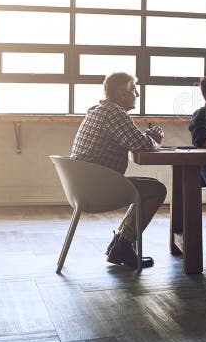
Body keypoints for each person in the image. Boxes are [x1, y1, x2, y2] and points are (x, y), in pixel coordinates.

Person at [71, 72, 167, 269]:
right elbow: (141, 144)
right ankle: (123, 244)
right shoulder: (114, 112)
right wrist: (154, 141)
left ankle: (120, 244)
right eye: (134, 89)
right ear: (122, 94)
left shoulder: (99, 110)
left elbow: (133, 140)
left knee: (151, 187)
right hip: (98, 186)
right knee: (157, 190)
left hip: (83, 184)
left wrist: (146, 141)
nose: (137, 95)